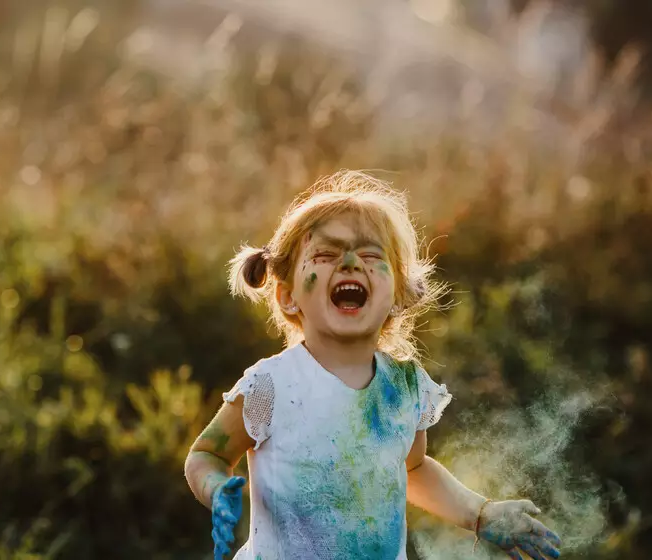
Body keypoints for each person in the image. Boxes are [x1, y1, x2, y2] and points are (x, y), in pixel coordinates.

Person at [183, 170, 562, 559]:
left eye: (370, 255)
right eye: (326, 255)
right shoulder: (272, 386)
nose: (349, 264)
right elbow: (207, 455)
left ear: (399, 294)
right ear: (287, 296)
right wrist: (216, 489)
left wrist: (480, 515)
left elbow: (413, 469)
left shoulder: (405, 388)